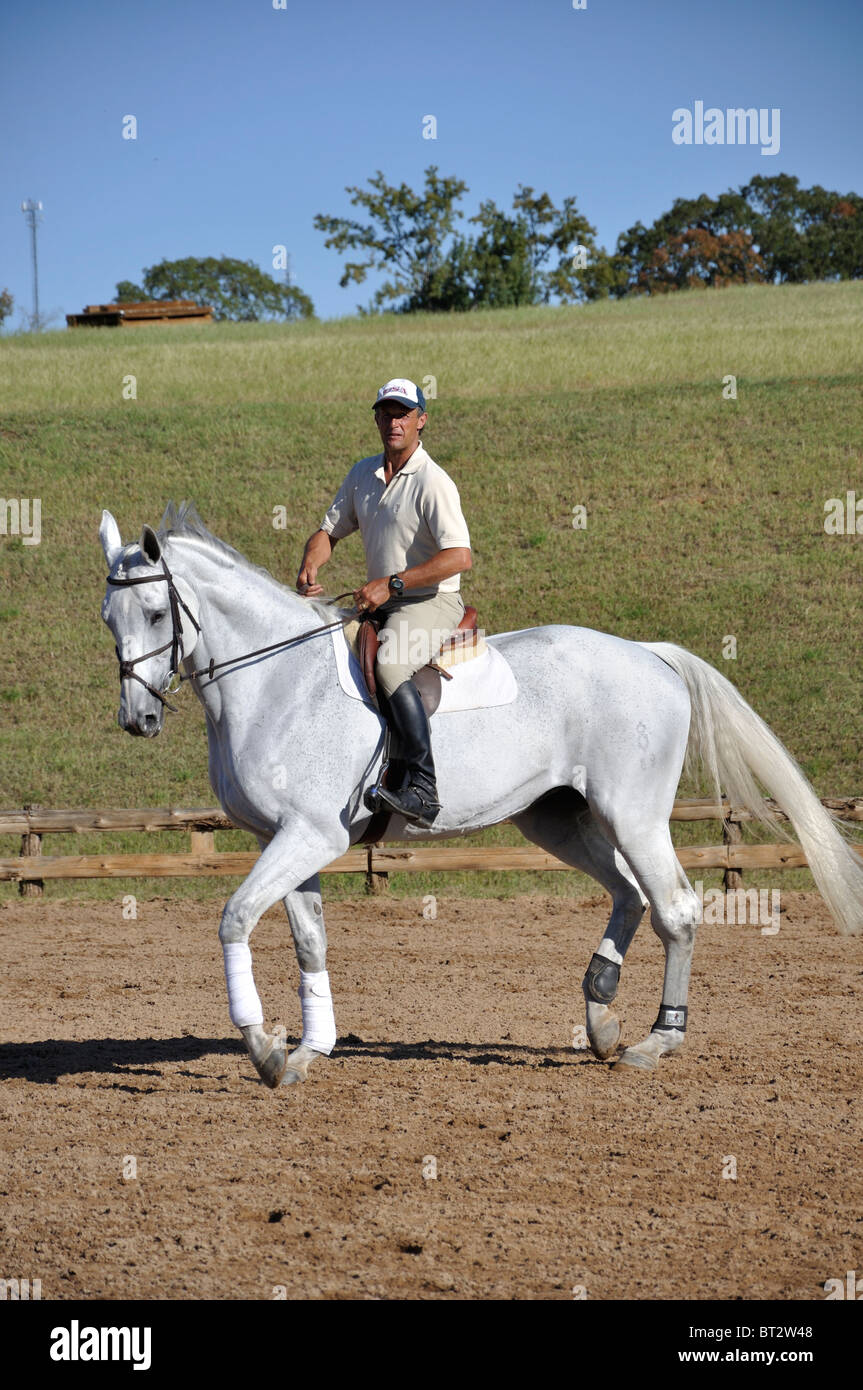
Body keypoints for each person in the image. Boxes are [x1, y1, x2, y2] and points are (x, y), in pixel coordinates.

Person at [297, 378, 472, 826]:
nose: (394, 422)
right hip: (382, 602)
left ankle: (422, 788)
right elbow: (328, 532)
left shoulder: (433, 481)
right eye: (386, 413)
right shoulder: (363, 475)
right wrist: (311, 564)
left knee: (391, 665)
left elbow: (459, 557)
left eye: (403, 414)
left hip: (431, 601)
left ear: (421, 421)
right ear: (376, 418)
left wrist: (392, 584)